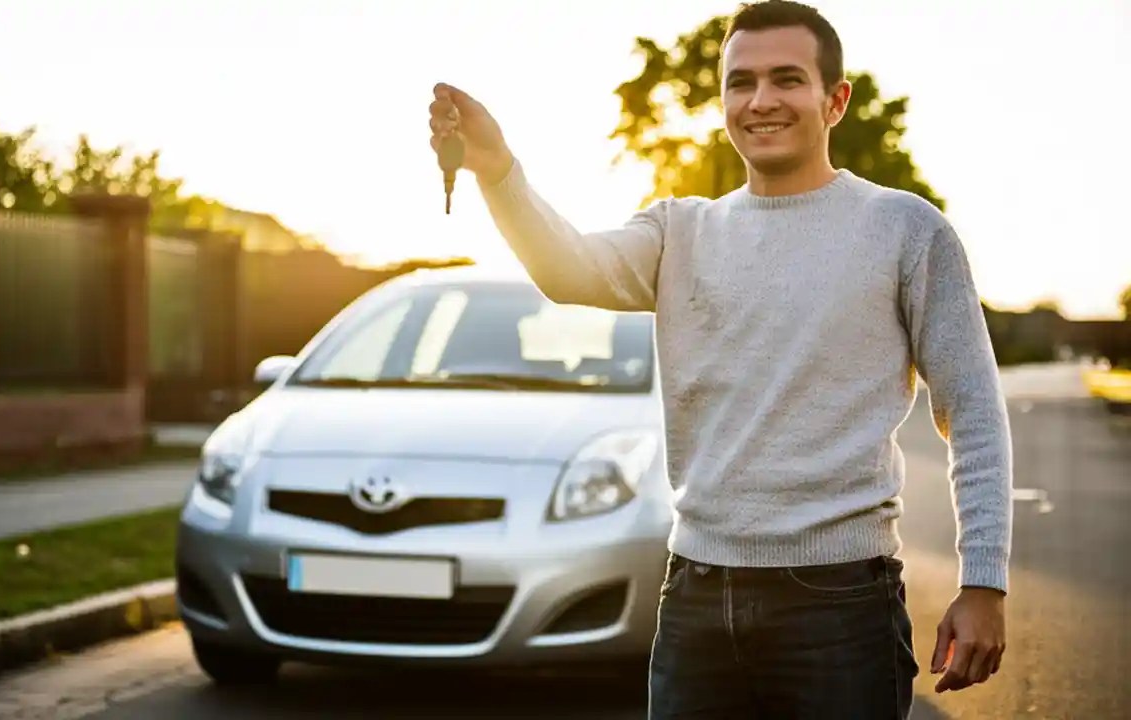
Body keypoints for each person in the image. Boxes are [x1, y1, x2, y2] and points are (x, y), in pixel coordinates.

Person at [428, 0, 1011, 717]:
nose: (760, 101)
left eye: (786, 79)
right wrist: (496, 170)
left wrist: (983, 581)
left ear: (835, 100)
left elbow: (975, 411)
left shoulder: (905, 231)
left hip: (840, 606)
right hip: (694, 599)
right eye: (741, 83)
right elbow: (567, 268)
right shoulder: (680, 230)